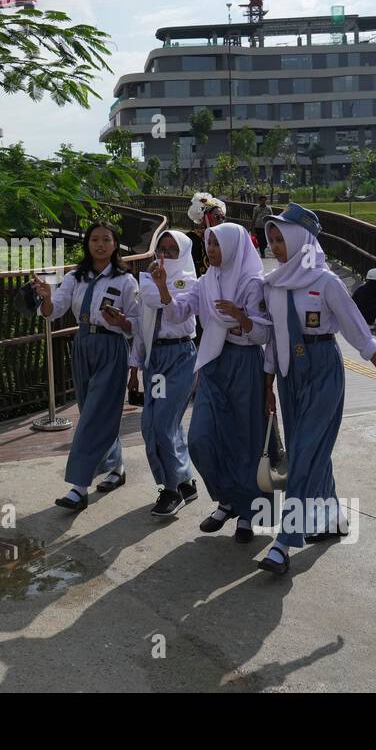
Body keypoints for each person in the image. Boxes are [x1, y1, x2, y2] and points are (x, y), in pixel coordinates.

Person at [260, 203, 376, 576]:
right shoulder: (273, 285)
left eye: (282, 239)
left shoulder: (326, 282)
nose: (275, 246)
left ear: (301, 241)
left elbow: (358, 330)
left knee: (305, 455)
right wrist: (268, 384)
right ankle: (332, 519)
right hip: (291, 375)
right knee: (308, 452)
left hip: (323, 369)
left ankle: (283, 542)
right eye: (272, 239)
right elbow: (275, 340)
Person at [154, 222, 272, 539]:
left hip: (244, 364)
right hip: (212, 363)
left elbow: (263, 333)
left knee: (245, 441)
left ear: (234, 246)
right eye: (209, 244)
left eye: (218, 244)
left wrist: (242, 317)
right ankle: (227, 499)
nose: (212, 250)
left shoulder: (252, 282)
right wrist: (164, 288)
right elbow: (179, 314)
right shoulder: (206, 283)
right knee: (201, 440)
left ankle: (247, 513)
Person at [33, 221, 141, 512]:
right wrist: (45, 297)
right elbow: (53, 312)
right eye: (94, 239)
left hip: (111, 348)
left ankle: (78, 487)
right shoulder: (74, 277)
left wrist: (121, 322)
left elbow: (135, 325)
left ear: (115, 244)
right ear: (87, 244)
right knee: (93, 411)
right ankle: (117, 467)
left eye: (106, 239)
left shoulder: (125, 281)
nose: (100, 244)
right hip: (82, 346)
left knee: (92, 417)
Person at [126, 230, 200, 517]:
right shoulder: (148, 281)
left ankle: (171, 489)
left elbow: (175, 313)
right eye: (162, 248)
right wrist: (135, 366)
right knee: (152, 422)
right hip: (156, 363)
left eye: (172, 249)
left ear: (182, 253)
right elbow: (143, 330)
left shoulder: (188, 281)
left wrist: (160, 286)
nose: (165, 254)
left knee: (164, 423)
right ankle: (184, 481)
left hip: (180, 358)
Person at [186, 192, 228, 276]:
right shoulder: (194, 239)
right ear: (206, 219)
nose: (221, 220)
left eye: (223, 217)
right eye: (217, 217)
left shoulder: (227, 238)